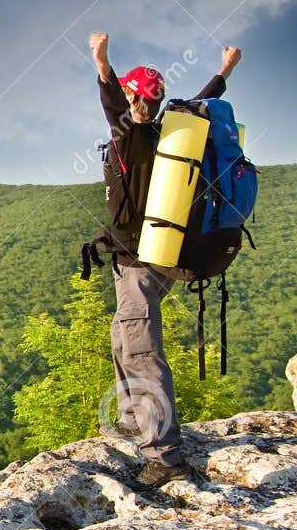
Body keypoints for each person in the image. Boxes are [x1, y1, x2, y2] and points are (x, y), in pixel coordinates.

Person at [88, 32, 242, 486]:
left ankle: (165, 455)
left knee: (139, 347)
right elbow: (200, 102)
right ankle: (135, 423)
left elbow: (116, 107)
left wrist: (102, 64)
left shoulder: (131, 136)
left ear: (141, 103)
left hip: (142, 261)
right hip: (155, 254)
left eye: (140, 102)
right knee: (123, 339)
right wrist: (225, 71)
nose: (138, 107)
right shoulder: (171, 133)